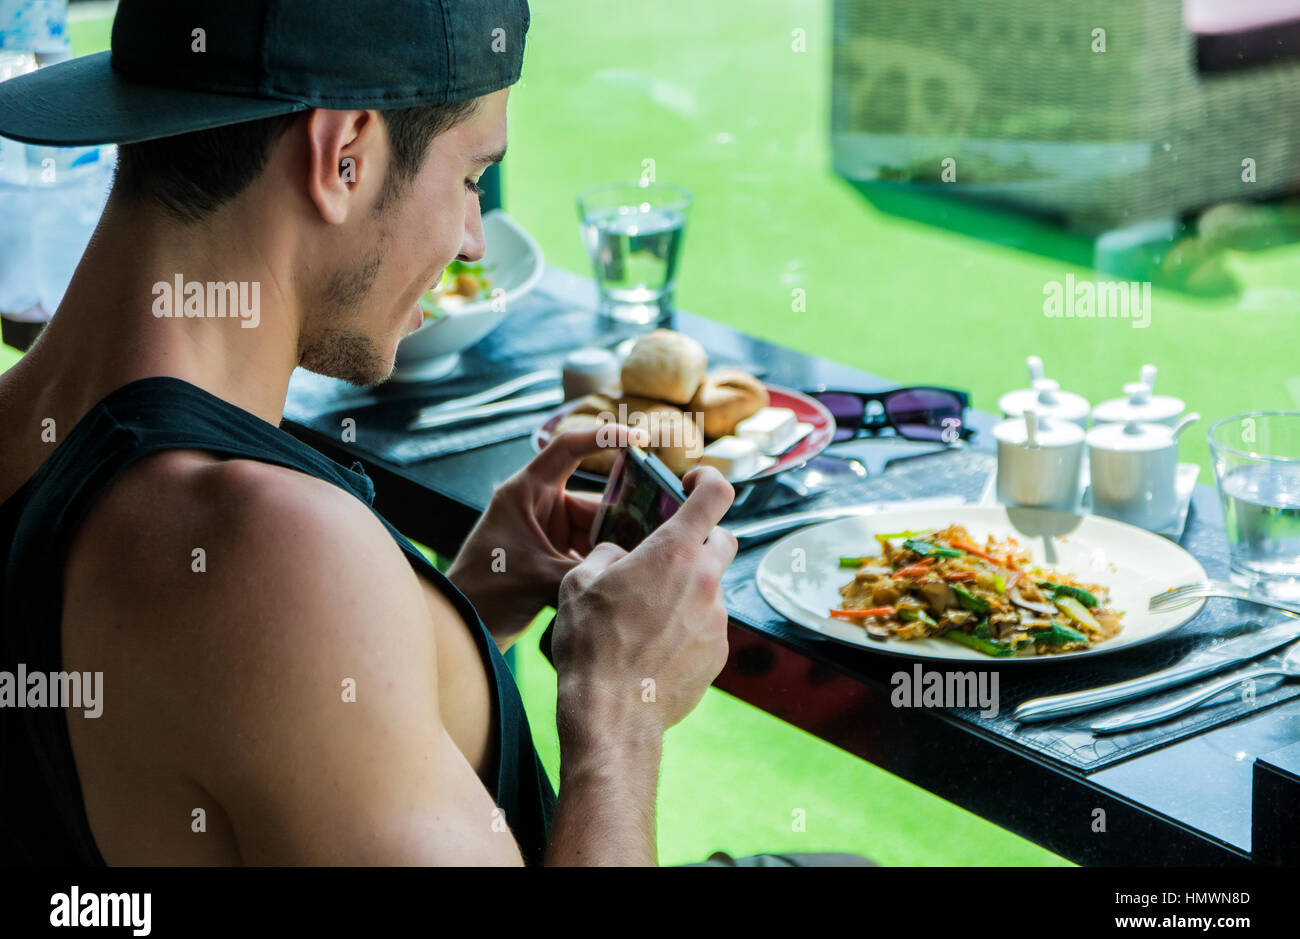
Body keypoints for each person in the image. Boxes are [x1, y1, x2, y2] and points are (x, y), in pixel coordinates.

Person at [0, 0, 870, 868]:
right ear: (344, 156)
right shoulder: (268, 547)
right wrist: (619, 717)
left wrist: (460, 614)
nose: (472, 239)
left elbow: (237, 732)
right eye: (469, 178)